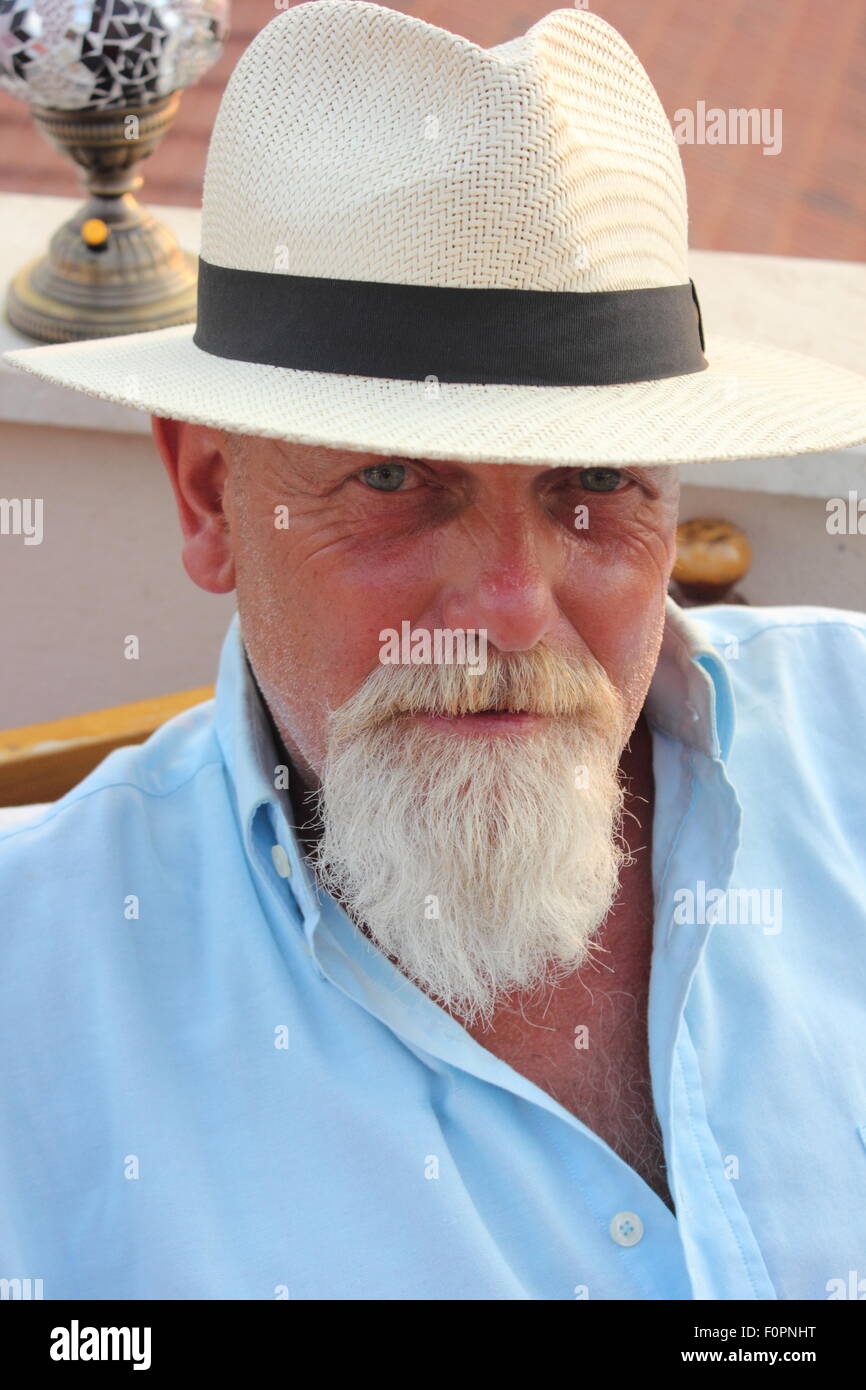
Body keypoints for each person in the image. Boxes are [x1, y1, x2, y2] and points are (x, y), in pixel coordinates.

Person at [2, 2, 866, 1301]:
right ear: (210, 492)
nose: (512, 606)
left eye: (595, 482)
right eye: (397, 478)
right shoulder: (35, 1005)